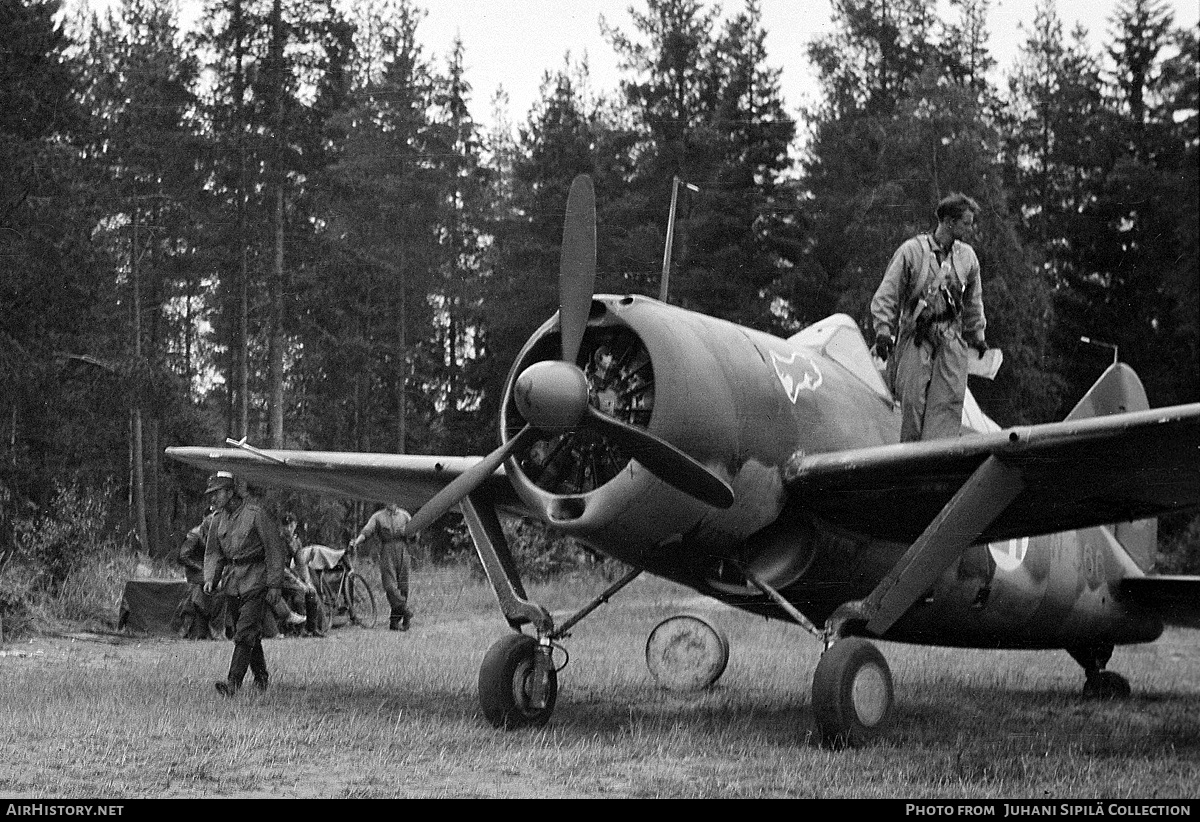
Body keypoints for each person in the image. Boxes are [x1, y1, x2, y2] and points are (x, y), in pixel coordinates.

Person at [870, 192, 988, 443]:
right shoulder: (912, 252)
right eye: (966, 223)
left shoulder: (967, 257)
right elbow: (888, 294)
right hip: (917, 339)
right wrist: (883, 332)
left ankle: (934, 467)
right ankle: (906, 462)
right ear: (948, 221)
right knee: (911, 404)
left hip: (951, 341)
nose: (970, 228)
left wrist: (976, 335)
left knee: (947, 408)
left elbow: (973, 299)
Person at [202, 471, 288, 695]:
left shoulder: (255, 514)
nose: (212, 499)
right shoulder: (217, 520)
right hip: (232, 582)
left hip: (255, 580)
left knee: (245, 630)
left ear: (230, 492)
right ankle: (261, 678)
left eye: (217, 493)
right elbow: (213, 553)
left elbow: (274, 549)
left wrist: (274, 584)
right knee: (246, 634)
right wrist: (211, 578)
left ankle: (233, 684)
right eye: (210, 494)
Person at [351, 502, 413, 631]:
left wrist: (408, 533)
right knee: (389, 586)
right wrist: (357, 542)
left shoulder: (405, 515)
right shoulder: (378, 517)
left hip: (403, 549)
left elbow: (415, 533)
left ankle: (395, 622)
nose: (391, 503)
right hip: (387, 550)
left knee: (403, 586)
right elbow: (367, 531)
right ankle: (405, 610)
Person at [175, 508, 221, 639]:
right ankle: (215, 628)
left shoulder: (215, 534)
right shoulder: (194, 535)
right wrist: (201, 568)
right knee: (219, 588)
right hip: (196, 573)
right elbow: (182, 557)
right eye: (210, 518)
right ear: (204, 518)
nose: (213, 521)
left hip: (209, 571)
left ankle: (220, 627)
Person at [279, 513, 323, 636]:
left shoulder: (295, 541)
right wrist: (299, 582)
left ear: (295, 525)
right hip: (277, 576)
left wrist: (307, 581)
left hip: (288, 576)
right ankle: (300, 628)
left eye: (291, 525)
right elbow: (280, 567)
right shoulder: (278, 541)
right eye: (285, 526)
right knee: (300, 591)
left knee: (311, 591)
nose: (288, 529)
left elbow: (301, 563)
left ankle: (312, 628)